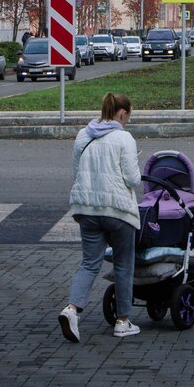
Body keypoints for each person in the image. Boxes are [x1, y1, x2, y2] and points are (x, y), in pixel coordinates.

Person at [59, 92, 142, 342]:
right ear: (123, 113)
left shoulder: (83, 135)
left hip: (87, 210)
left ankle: (72, 310)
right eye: (129, 116)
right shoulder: (124, 138)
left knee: (89, 263)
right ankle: (123, 321)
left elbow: (77, 172)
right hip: (118, 211)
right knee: (124, 264)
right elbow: (132, 179)